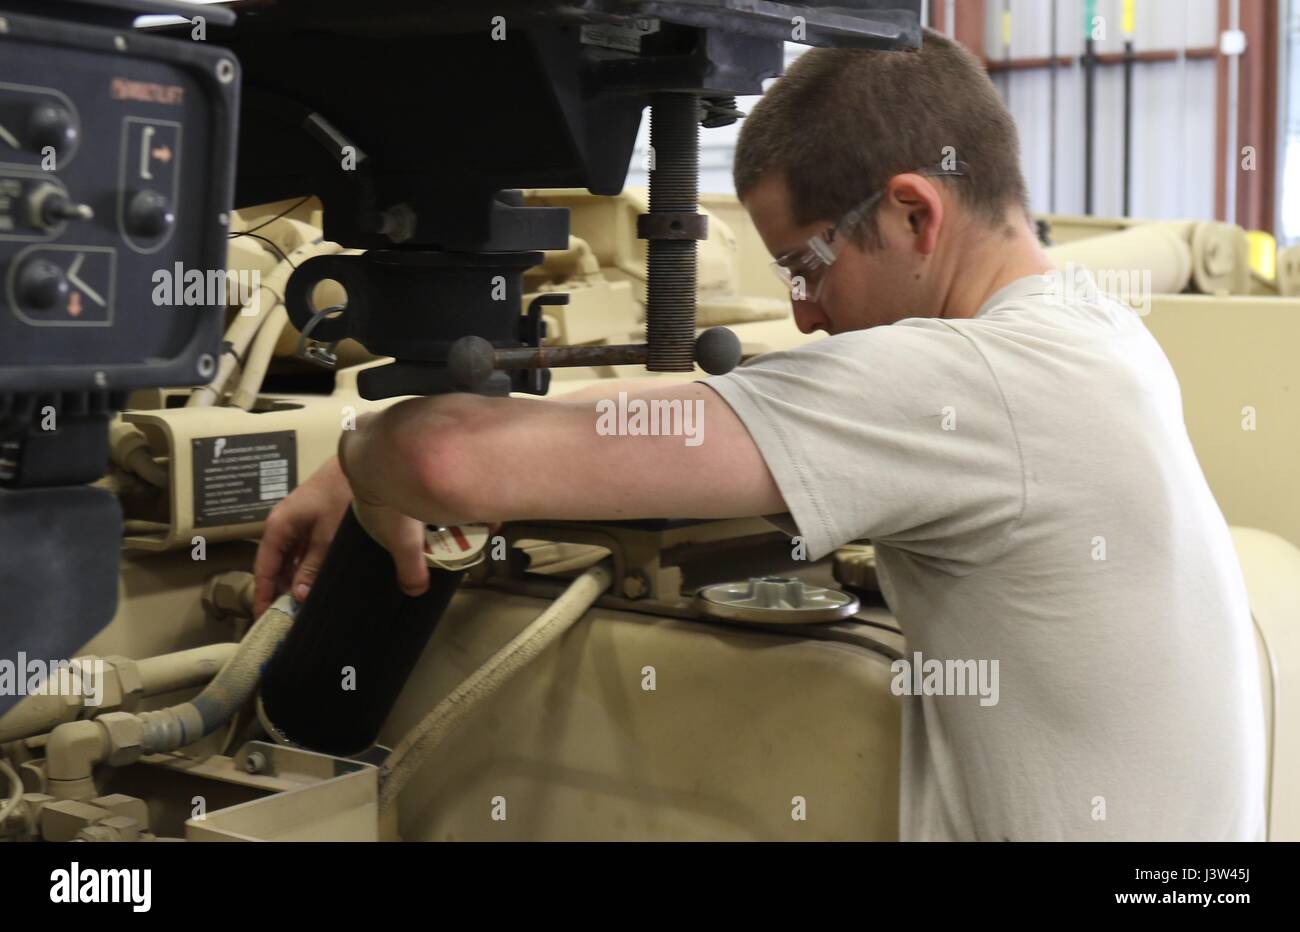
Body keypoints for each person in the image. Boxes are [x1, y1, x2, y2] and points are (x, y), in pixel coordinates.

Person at [253, 29, 1265, 841]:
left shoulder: (970, 385)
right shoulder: (1095, 332)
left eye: (805, 267)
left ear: (914, 212)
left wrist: (365, 456)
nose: (805, 312)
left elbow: (443, 461)